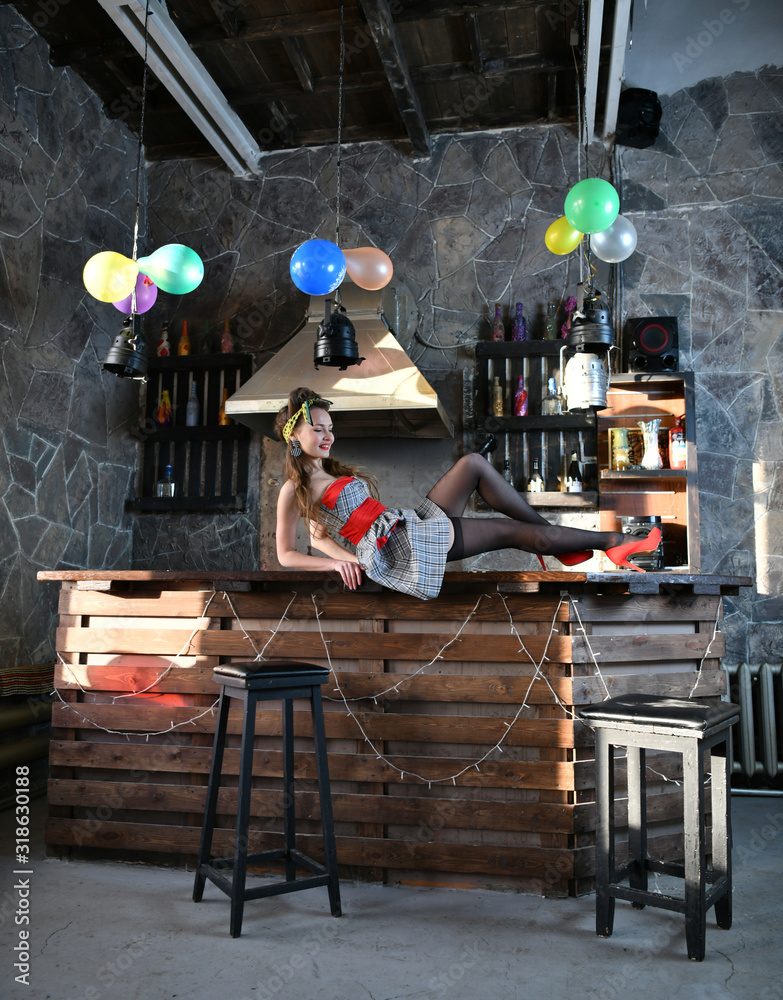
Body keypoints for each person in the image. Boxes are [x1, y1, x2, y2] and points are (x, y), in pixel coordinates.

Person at [274, 387, 661, 600]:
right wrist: (340, 564)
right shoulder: (296, 489)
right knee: (510, 531)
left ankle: (559, 544)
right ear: (294, 435)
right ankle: (614, 541)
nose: (328, 436)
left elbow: (320, 536)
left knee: (473, 463)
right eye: (318, 429)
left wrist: (339, 555)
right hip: (397, 549)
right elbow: (288, 553)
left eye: (329, 428)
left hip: (406, 525)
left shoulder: (331, 471)